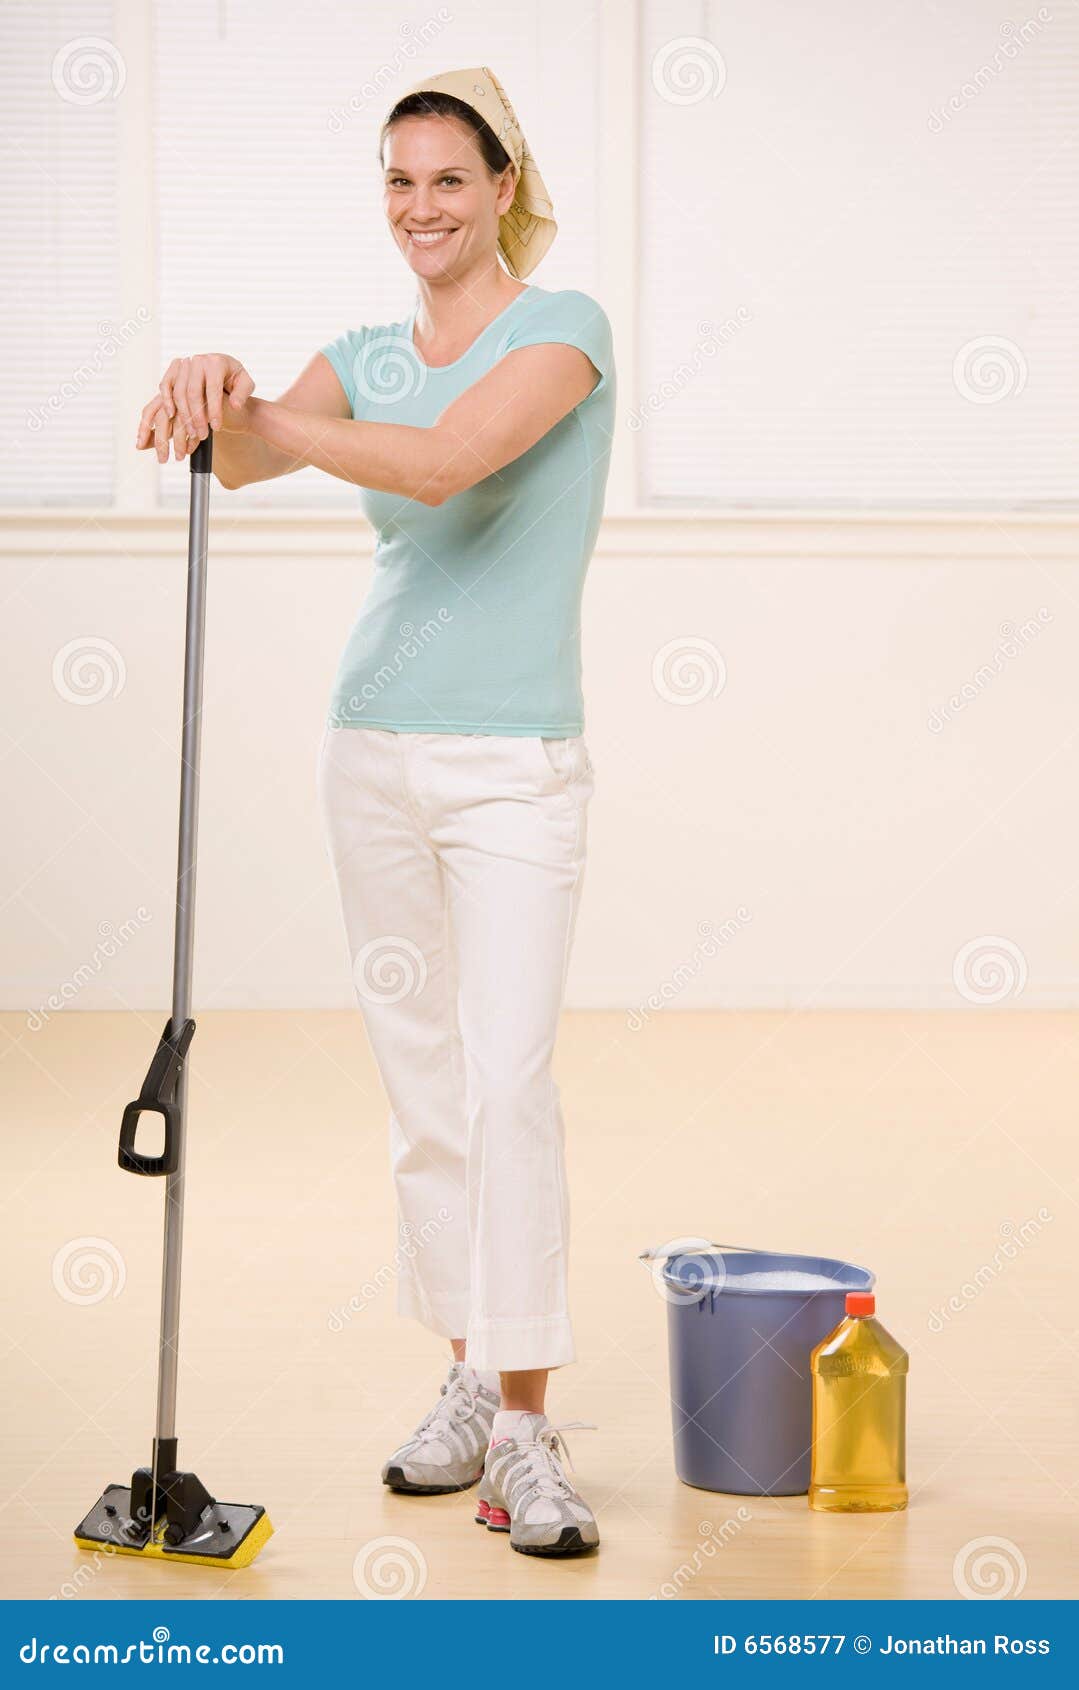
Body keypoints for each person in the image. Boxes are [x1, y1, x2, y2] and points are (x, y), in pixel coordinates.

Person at [135, 66, 614, 1558]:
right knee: (422, 1089)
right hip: (374, 753)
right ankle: (468, 1373)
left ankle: (532, 1432)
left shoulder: (564, 331)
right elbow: (237, 452)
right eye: (399, 183)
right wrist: (220, 389)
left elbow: (446, 459)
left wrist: (278, 415)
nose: (422, 209)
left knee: (505, 1078)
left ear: (502, 186)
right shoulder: (360, 350)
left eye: (449, 181)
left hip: (513, 764)